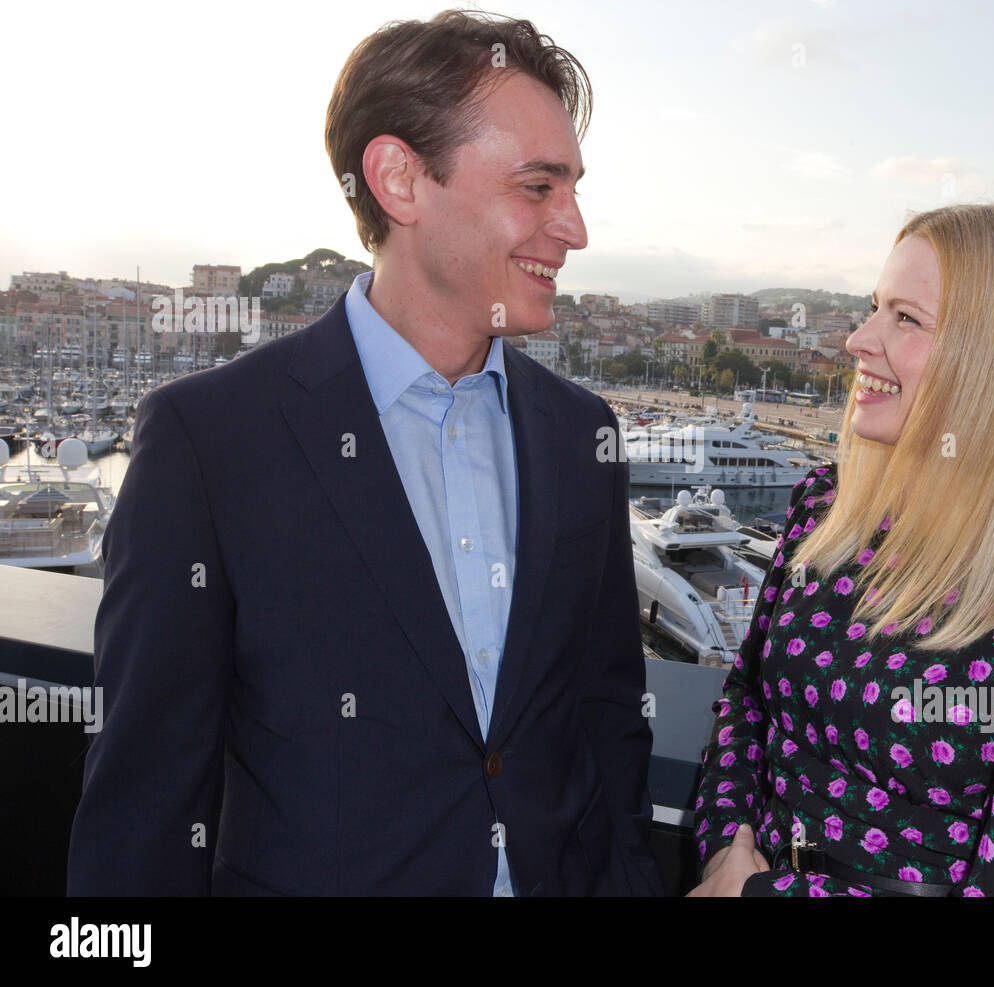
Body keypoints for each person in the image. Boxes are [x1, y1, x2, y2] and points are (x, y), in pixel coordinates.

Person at [68, 10, 661, 897]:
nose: (573, 229)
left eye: (572, 188)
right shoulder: (209, 441)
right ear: (399, 179)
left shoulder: (584, 435)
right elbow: (144, 803)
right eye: (538, 187)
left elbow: (608, 714)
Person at [688, 204, 994, 897]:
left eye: (905, 318)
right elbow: (748, 700)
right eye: (874, 307)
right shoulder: (825, 512)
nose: (857, 340)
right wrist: (723, 853)